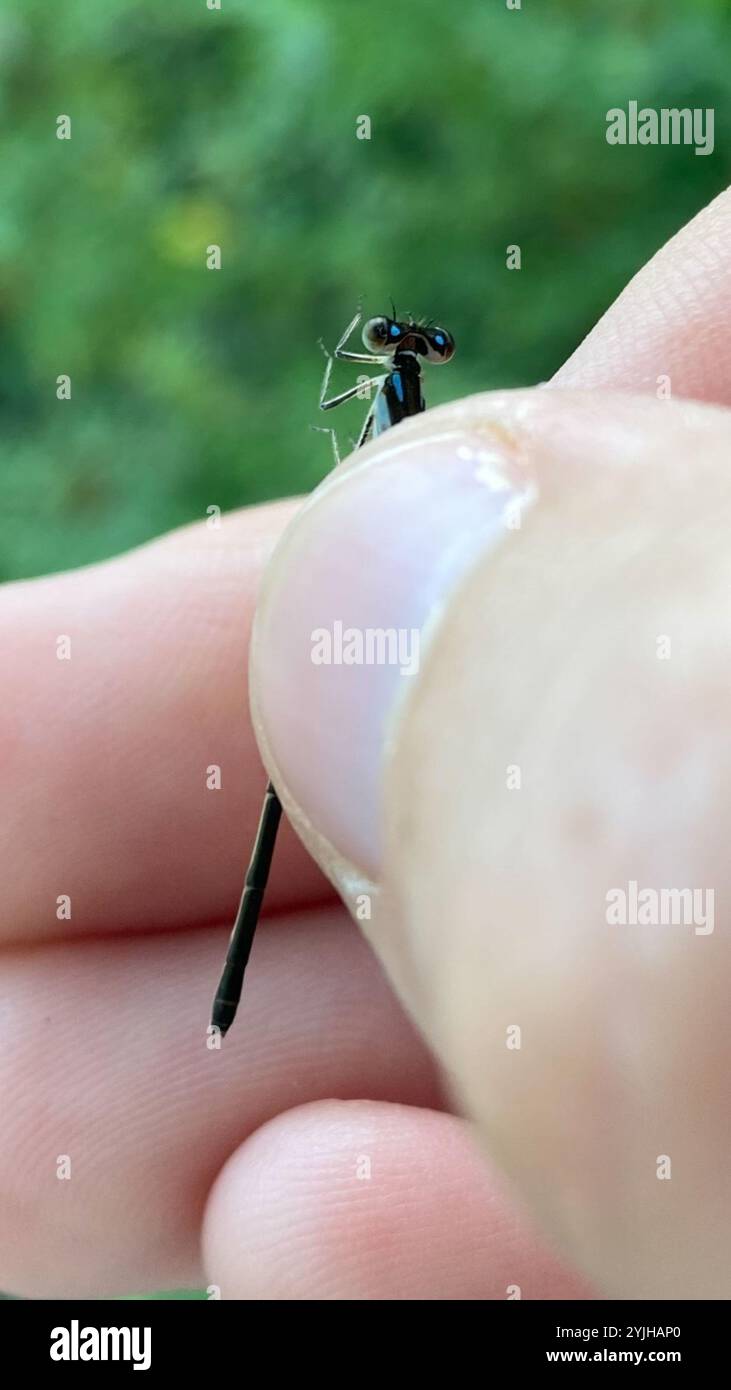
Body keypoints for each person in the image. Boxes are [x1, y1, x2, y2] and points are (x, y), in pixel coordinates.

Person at [1, 190, 729, 1300]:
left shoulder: (402, 399)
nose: (401, 350)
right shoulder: (383, 389)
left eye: (408, 347)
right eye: (399, 344)